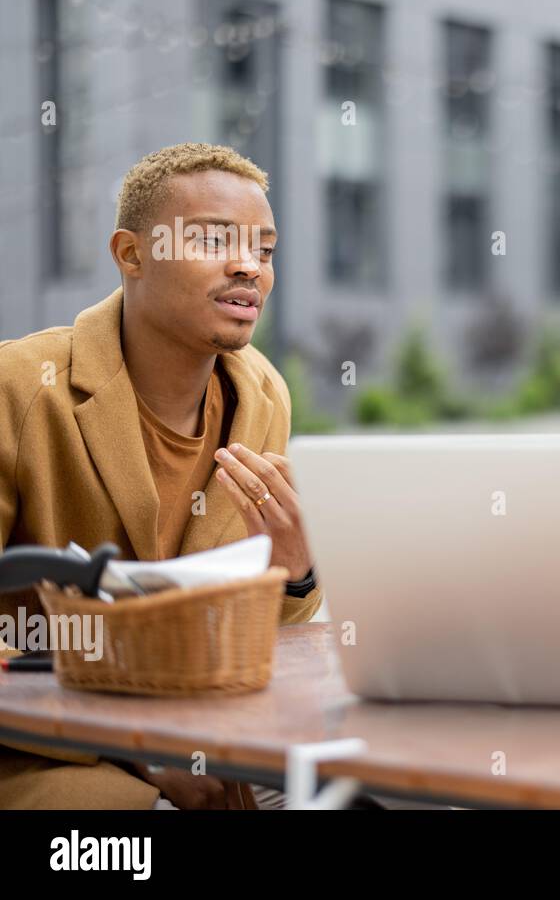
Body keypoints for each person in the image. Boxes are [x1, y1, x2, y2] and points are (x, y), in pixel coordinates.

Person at [0, 143, 321, 807]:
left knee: (350, 795)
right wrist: (142, 755)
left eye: (264, 249)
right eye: (213, 240)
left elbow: (267, 629)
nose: (249, 267)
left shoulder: (263, 396)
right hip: (39, 752)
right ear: (131, 254)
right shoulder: (20, 388)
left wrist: (299, 575)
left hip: (212, 742)